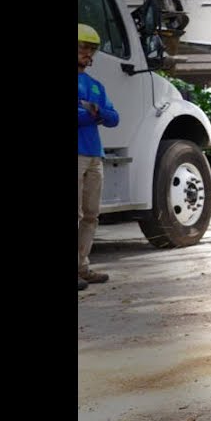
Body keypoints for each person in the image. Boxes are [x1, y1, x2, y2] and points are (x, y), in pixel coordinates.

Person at [78, 24, 121, 290]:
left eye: (92, 49)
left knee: (91, 215)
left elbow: (114, 117)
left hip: (94, 155)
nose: (88, 53)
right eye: (84, 47)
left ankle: (82, 267)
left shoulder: (95, 86)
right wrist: (95, 114)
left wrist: (94, 112)